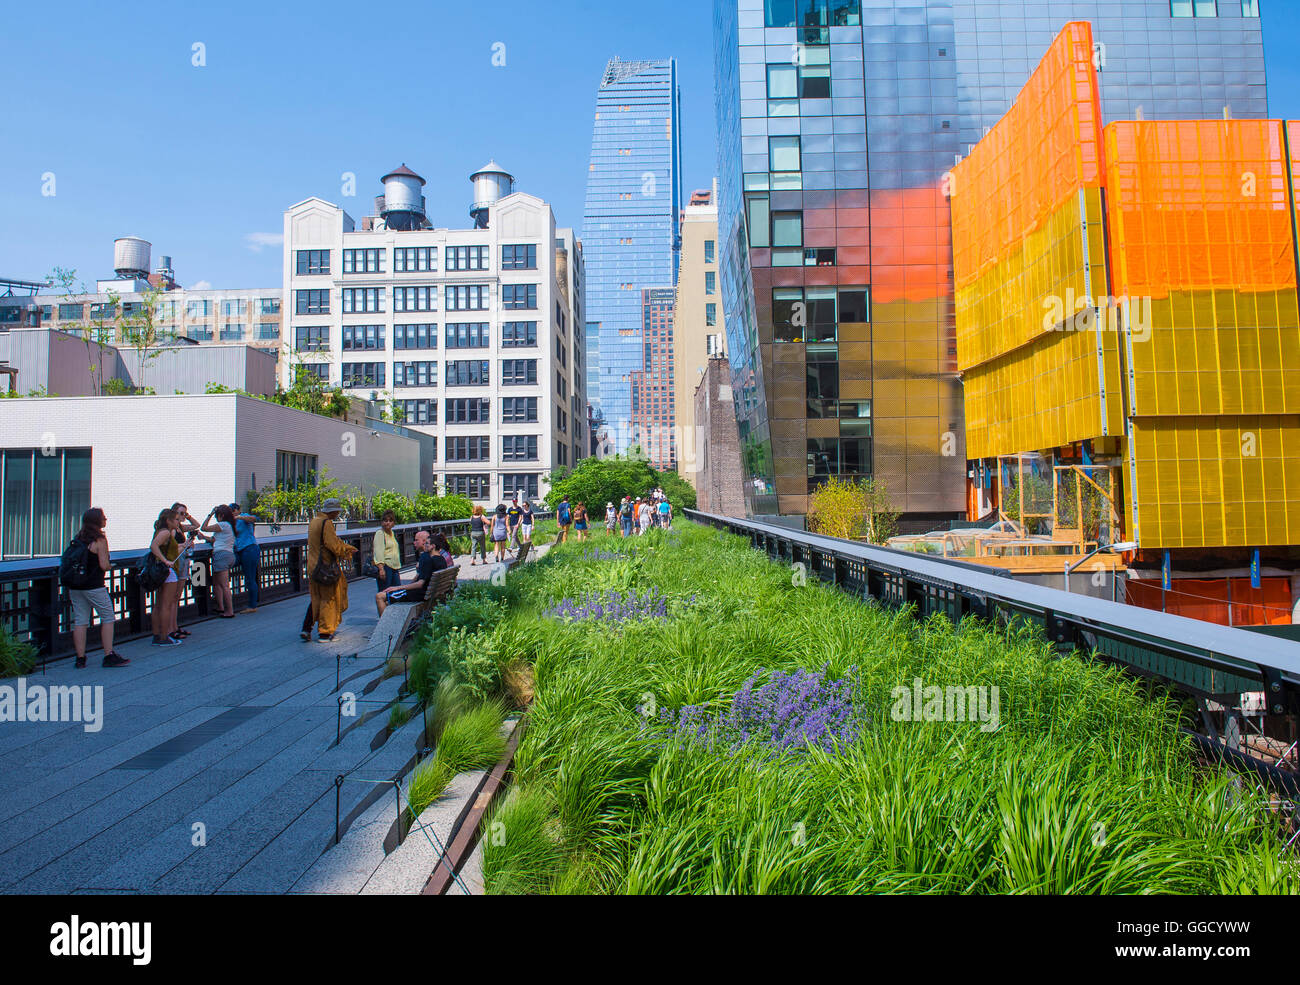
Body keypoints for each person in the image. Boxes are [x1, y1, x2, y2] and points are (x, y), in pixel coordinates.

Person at [66, 507, 128, 668]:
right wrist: (111, 565)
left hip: (76, 585)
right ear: (97, 521)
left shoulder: (78, 538)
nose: (105, 519)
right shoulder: (100, 540)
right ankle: (109, 655)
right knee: (108, 617)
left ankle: (80, 658)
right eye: (103, 517)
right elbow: (104, 565)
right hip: (94, 585)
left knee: (80, 620)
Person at [301, 498, 357, 642]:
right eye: (337, 511)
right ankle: (325, 633)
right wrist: (347, 551)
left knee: (316, 597)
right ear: (333, 511)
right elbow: (332, 544)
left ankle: (306, 628)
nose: (338, 514)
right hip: (325, 566)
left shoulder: (314, 521)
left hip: (313, 566)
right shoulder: (327, 523)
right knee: (329, 598)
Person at [375, 529, 447, 616]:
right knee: (388, 601)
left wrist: (399, 588)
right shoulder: (442, 559)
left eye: (427, 543)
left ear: (433, 546)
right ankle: (391, 623)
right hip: (430, 593)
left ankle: (384, 628)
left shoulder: (429, 560)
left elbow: (420, 584)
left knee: (380, 597)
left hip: (420, 594)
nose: (425, 545)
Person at [150, 509, 187, 646]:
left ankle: (156, 635)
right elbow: (153, 546)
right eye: (176, 519)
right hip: (167, 571)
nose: (178, 522)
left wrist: (183, 545)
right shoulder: (165, 532)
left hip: (160, 570)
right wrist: (165, 561)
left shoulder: (162, 532)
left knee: (158, 604)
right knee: (166, 604)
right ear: (168, 521)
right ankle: (164, 636)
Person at [203, 505, 238, 618]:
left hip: (221, 555)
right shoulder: (229, 526)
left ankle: (229, 611)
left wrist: (210, 513)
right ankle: (221, 607)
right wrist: (203, 537)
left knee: (223, 585)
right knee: (217, 584)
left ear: (221, 515)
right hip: (228, 554)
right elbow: (214, 540)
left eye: (216, 515)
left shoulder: (223, 524)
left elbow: (204, 527)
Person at [230, 502, 260, 613]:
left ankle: (252, 605)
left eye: (233, 511)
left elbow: (254, 519)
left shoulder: (244, 517)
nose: (232, 513)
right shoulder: (231, 522)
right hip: (240, 551)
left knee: (250, 578)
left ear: (238, 510)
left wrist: (239, 517)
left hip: (250, 549)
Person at [372, 510, 403, 607]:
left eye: (390, 520)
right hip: (386, 567)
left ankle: (393, 615)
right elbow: (378, 551)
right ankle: (383, 617)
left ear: (394, 523)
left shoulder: (392, 533)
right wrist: (381, 569)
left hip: (394, 567)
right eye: (385, 520)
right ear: (382, 522)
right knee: (384, 594)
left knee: (396, 593)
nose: (387, 523)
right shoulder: (380, 533)